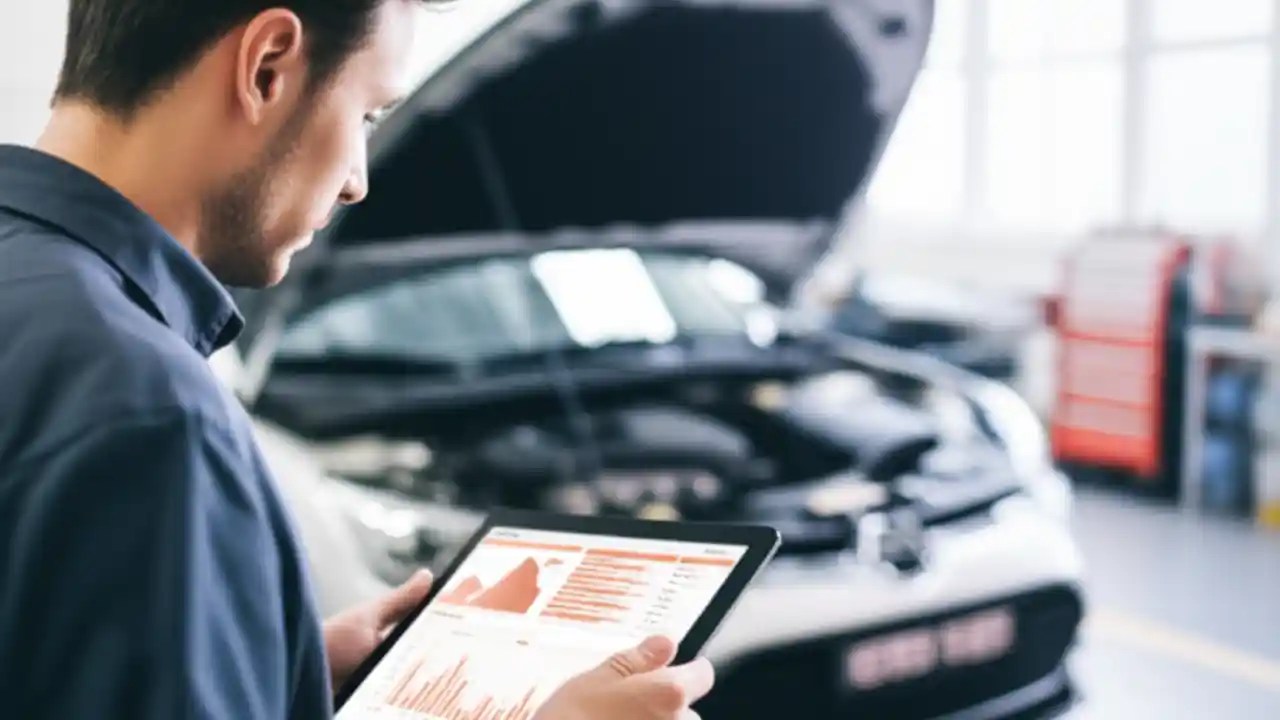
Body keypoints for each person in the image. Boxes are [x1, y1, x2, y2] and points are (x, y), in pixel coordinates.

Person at [0, 1, 714, 718]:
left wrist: (270, 665)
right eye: (369, 115)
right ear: (268, 65)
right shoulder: (154, 414)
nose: (357, 182)